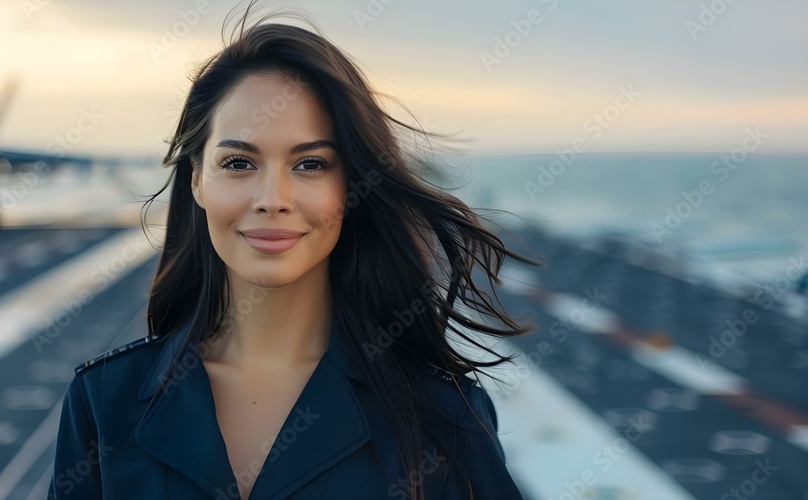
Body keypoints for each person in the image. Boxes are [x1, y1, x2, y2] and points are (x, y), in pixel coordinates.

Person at [48, 1, 541, 498]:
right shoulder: (103, 404)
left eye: (310, 165)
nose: (272, 201)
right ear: (197, 180)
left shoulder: (445, 416)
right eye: (239, 163)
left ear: (352, 187)